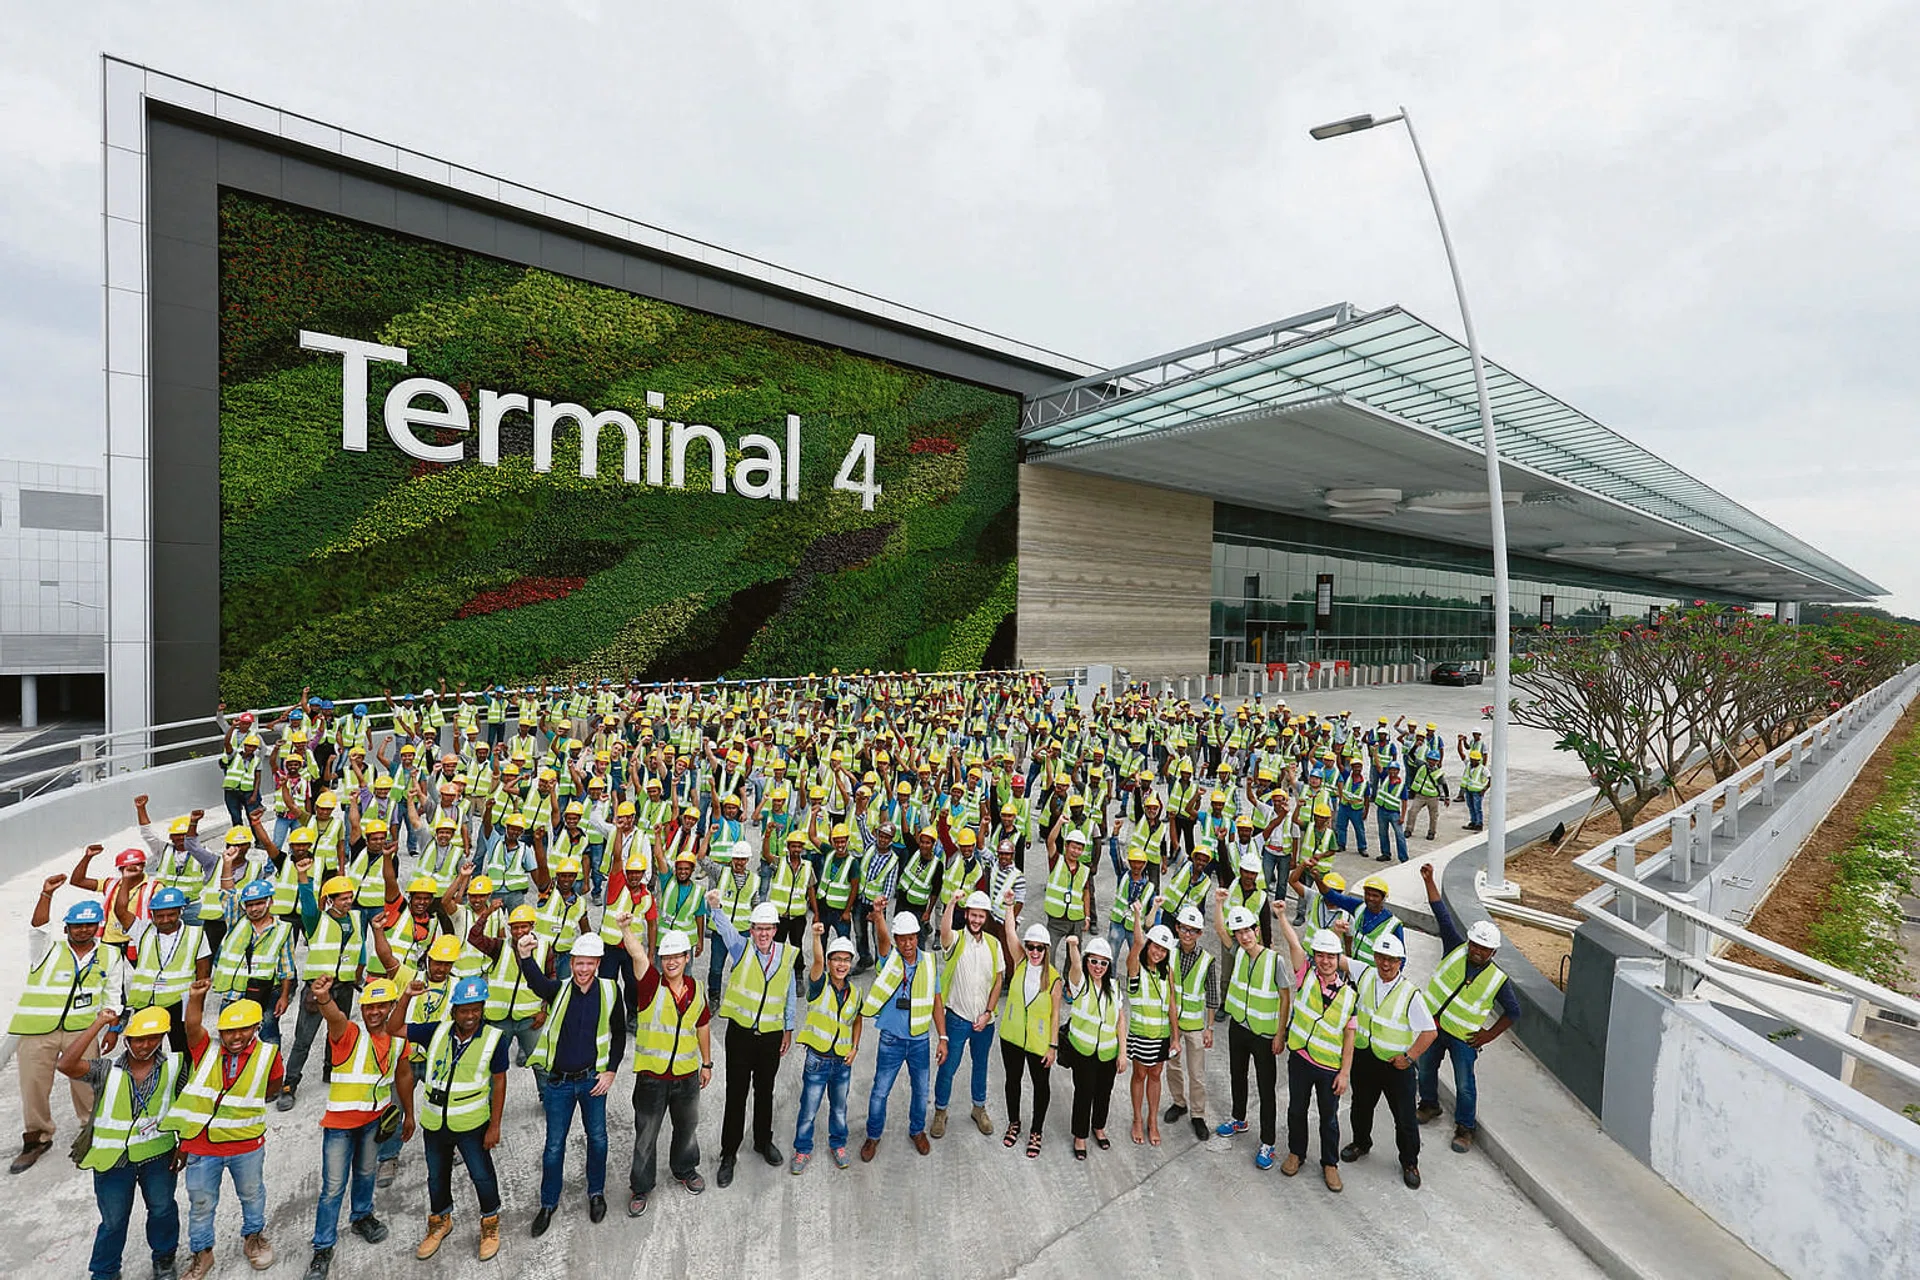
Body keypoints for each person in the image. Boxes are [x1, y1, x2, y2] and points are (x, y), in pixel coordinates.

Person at [166, 979, 284, 1279]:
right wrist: (196, 997)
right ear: (220, 1032)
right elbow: (192, 1027)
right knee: (201, 1205)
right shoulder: (206, 1050)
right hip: (203, 1147)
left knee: (252, 1195)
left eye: (243, 1029)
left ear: (256, 1027)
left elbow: (272, 1087)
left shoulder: (268, 1054)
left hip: (246, 1144)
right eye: (229, 1031)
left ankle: (253, 1238)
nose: (236, 1036)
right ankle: (202, 1253)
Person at [58, 1004, 183, 1280]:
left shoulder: (175, 1067)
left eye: (153, 1038)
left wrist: (184, 1146)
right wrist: (98, 1025)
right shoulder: (106, 1069)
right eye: (138, 1039)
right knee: (113, 1221)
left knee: (162, 1209)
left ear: (163, 1037)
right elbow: (65, 1064)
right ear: (127, 1040)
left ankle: (164, 1258)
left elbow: (188, 1108)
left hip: (158, 1155)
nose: (145, 1045)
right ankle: (106, 1271)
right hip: (113, 1160)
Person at [304, 975, 411, 1279]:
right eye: (368, 1007)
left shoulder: (399, 1040)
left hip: (373, 1123)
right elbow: (334, 1016)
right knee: (333, 1188)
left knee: (365, 1174)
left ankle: (362, 1216)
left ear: (391, 1007)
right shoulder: (349, 1033)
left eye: (381, 1006)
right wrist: (324, 998)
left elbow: (403, 1076)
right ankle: (323, 1247)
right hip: (340, 1126)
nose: (374, 1012)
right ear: (361, 1009)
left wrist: (409, 1115)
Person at [398, 975, 508, 1262]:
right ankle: (441, 1220)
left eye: (476, 1009)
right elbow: (394, 1027)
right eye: (464, 1010)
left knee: (481, 1175)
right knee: (436, 1176)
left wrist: (495, 1126)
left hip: (472, 1124)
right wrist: (407, 996)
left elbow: (499, 1082)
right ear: (454, 1010)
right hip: (435, 1123)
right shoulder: (436, 1031)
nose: (470, 1016)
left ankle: (490, 1222)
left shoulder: (494, 1039)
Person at [519, 930, 623, 1236]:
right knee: (554, 1146)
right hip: (559, 1084)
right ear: (573, 962)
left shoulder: (610, 991)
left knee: (598, 1139)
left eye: (590, 963)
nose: (583, 969)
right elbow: (537, 983)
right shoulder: (560, 989)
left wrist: (611, 1071)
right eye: (579, 963)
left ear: (598, 963)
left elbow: (618, 1033)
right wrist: (525, 956)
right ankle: (548, 1203)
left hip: (592, 1081)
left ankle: (596, 1193)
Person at [10, 882, 116, 1173]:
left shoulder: (110, 955)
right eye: (76, 925)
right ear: (66, 927)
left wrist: (112, 1027)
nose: (83, 930)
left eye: (89, 925)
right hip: (37, 1029)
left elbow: (113, 994)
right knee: (33, 1085)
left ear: (98, 927)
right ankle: (37, 1138)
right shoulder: (46, 950)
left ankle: (91, 1129)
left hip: (82, 1030)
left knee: (87, 1084)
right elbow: (39, 927)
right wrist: (46, 894)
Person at [1416, 863, 1520, 1153]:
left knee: (1464, 1084)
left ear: (1493, 952)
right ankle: (1429, 1104)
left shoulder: (1498, 979)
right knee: (1425, 1068)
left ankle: (1465, 1127)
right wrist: (1429, 880)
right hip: (1434, 1027)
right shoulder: (1455, 947)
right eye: (1474, 945)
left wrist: (1487, 1036)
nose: (1476, 950)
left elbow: (1514, 1012)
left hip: (1463, 1038)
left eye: (1483, 949)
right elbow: (1441, 912)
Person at [617, 922, 710, 1216]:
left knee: (687, 1127)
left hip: (687, 1076)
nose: (671, 962)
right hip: (652, 1078)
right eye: (666, 957)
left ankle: (685, 1169)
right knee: (646, 1134)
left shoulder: (697, 989)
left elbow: (703, 1025)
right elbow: (637, 955)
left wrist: (706, 1063)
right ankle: (641, 1186)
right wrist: (626, 930)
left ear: (686, 958)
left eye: (677, 956)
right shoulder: (650, 986)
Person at [707, 898, 798, 1186]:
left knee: (765, 1091)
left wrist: (788, 1029)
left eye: (768, 929)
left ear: (775, 930)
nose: (763, 934)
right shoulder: (741, 948)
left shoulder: (786, 956)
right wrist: (716, 907)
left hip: (770, 1036)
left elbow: (789, 995)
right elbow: (725, 930)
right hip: (740, 1035)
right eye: (758, 928)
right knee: (736, 1094)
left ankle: (762, 1141)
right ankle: (729, 1153)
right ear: (751, 930)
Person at [1339, 932, 1435, 1189]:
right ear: (1374, 957)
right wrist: (1338, 933)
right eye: (1381, 957)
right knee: (1361, 1106)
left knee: (1404, 1117)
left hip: (1396, 1067)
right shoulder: (1366, 973)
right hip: (1365, 1057)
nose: (1386, 964)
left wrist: (1409, 1057)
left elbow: (1429, 1032)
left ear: (1400, 962)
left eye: (1392, 959)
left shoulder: (1410, 994)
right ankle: (1361, 1143)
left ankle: (1409, 1162)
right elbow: (1337, 959)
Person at [1273, 910, 1357, 1192]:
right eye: (1320, 955)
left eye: (1331, 956)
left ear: (1338, 959)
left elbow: (1349, 1036)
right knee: (1296, 1109)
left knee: (1329, 1118)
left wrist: (1345, 1073)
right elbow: (1293, 943)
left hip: (1329, 1068)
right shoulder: (1305, 976)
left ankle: (1330, 1163)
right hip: (1300, 1059)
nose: (1325, 961)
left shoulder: (1349, 995)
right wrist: (1281, 916)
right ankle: (1296, 1152)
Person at [858, 908, 946, 1161]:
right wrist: (878, 917)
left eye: (912, 938)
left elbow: (937, 1001)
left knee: (921, 1091)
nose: (908, 944)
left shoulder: (929, 963)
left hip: (919, 1040)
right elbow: (882, 940)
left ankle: (917, 1130)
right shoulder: (890, 960)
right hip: (891, 1040)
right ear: (896, 940)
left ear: (918, 937)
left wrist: (943, 1037)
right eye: (902, 939)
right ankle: (873, 1135)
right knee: (880, 1091)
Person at [281, 869, 369, 1111]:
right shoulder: (316, 920)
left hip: (344, 987)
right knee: (304, 1039)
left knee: (338, 1032)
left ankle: (332, 1069)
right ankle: (290, 1084)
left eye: (350, 897)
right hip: (317, 988)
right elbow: (308, 905)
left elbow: (360, 946)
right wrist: (303, 878)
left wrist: (359, 971)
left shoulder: (355, 918)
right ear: (330, 899)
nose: (348, 901)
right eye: (342, 898)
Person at [1212, 890, 1282, 1170]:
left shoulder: (1274, 960)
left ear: (1257, 931)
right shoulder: (1239, 953)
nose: (1243, 937)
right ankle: (1238, 1118)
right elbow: (1220, 929)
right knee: (1237, 1075)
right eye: (1239, 932)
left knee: (1266, 1088)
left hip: (1264, 1035)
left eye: (1247, 931)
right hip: (1239, 1027)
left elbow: (1286, 997)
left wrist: (1280, 1034)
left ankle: (1268, 1142)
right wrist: (1219, 904)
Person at [790, 923, 863, 1173]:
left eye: (846, 960)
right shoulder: (818, 986)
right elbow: (817, 962)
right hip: (817, 1060)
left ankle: (838, 1145)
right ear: (829, 962)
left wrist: (855, 1047)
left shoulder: (855, 992)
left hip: (842, 1062)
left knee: (839, 1109)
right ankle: (802, 1150)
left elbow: (858, 1019)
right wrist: (816, 937)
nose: (842, 964)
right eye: (837, 959)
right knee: (809, 1109)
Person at [931, 890, 1002, 1141]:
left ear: (986, 917)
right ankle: (940, 1111)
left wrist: (988, 1013)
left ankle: (978, 1108)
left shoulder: (994, 944)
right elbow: (944, 933)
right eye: (973, 915)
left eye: (981, 916)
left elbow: (998, 980)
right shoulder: (956, 939)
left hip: (984, 1021)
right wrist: (951, 902)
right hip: (957, 1018)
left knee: (980, 1065)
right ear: (967, 914)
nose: (976, 920)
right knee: (948, 1067)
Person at [122, 886, 213, 1056]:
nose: (165, 920)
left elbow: (203, 969)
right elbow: (120, 911)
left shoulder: (197, 934)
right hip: (146, 1001)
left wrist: (197, 1005)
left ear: (180, 912)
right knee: (146, 1050)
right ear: (152, 915)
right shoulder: (143, 930)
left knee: (182, 1050)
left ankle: (182, 1074)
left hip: (178, 1002)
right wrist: (126, 880)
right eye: (160, 916)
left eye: (171, 914)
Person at [998, 921, 1060, 1159]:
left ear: (1046, 950)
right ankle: (1014, 1122)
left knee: (1041, 1087)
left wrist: (1052, 1046)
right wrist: (1009, 906)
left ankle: (1036, 1131)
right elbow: (1009, 931)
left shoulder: (1054, 979)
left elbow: (1055, 1016)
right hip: (1012, 1037)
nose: (1034, 952)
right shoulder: (1020, 962)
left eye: (1039, 948)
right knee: (1012, 1081)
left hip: (1039, 1043)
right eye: (1030, 947)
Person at [1060, 934, 1123, 1160]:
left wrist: (1122, 1053)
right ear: (1087, 961)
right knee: (1084, 1094)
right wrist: (1073, 946)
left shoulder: (1114, 987)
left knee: (1104, 1093)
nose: (1098, 967)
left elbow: (1120, 1020)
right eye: (1093, 961)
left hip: (1108, 1052)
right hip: (1083, 1051)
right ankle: (1080, 1136)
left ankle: (1098, 1127)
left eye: (1103, 963)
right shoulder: (1080, 983)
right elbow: (1076, 965)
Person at [1161, 903, 1219, 1143]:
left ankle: (1198, 1114)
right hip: (1170, 1022)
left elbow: (1212, 995)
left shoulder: (1207, 960)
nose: (1187, 934)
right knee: (1172, 1067)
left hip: (1194, 1026)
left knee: (1197, 1074)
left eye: (1193, 930)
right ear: (1177, 928)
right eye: (1184, 928)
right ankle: (1179, 1103)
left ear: (1200, 933)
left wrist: (1209, 1028)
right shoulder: (1168, 951)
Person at [1124, 916, 1179, 1147]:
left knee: (1156, 1075)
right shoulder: (1136, 968)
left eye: (1164, 950)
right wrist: (1139, 915)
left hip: (1161, 1035)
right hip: (1141, 1034)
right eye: (1156, 947)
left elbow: (1172, 1004)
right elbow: (1136, 943)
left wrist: (1175, 1037)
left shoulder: (1167, 973)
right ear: (1148, 945)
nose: (1159, 953)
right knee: (1140, 1075)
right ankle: (1137, 1119)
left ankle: (1152, 1121)